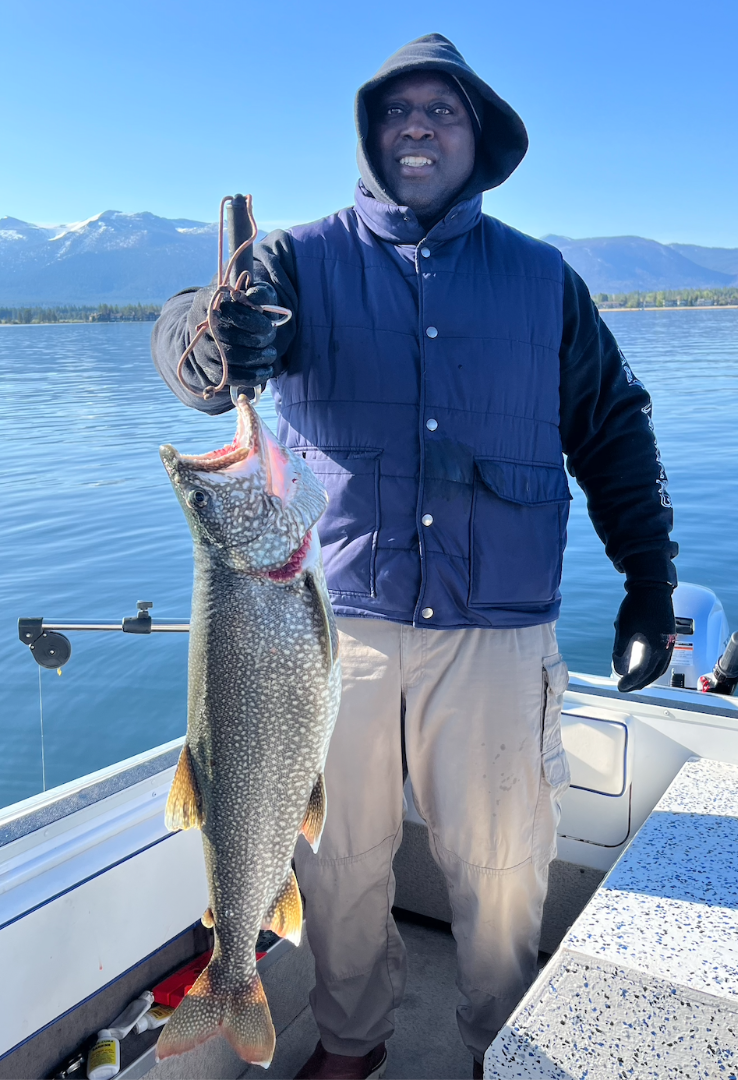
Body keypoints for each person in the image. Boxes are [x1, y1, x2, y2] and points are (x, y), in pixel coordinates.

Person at [152, 33, 677, 1080]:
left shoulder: (544, 280)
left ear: (478, 136)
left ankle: (501, 1046)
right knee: (337, 864)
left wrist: (650, 577)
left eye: (442, 110)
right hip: (332, 629)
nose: (418, 128)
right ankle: (350, 1042)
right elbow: (185, 339)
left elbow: (613, 427)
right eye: (397, 111)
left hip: (497, 629)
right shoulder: (295, 262)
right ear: (369, 134)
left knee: (504, 868)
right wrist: (212, 345)